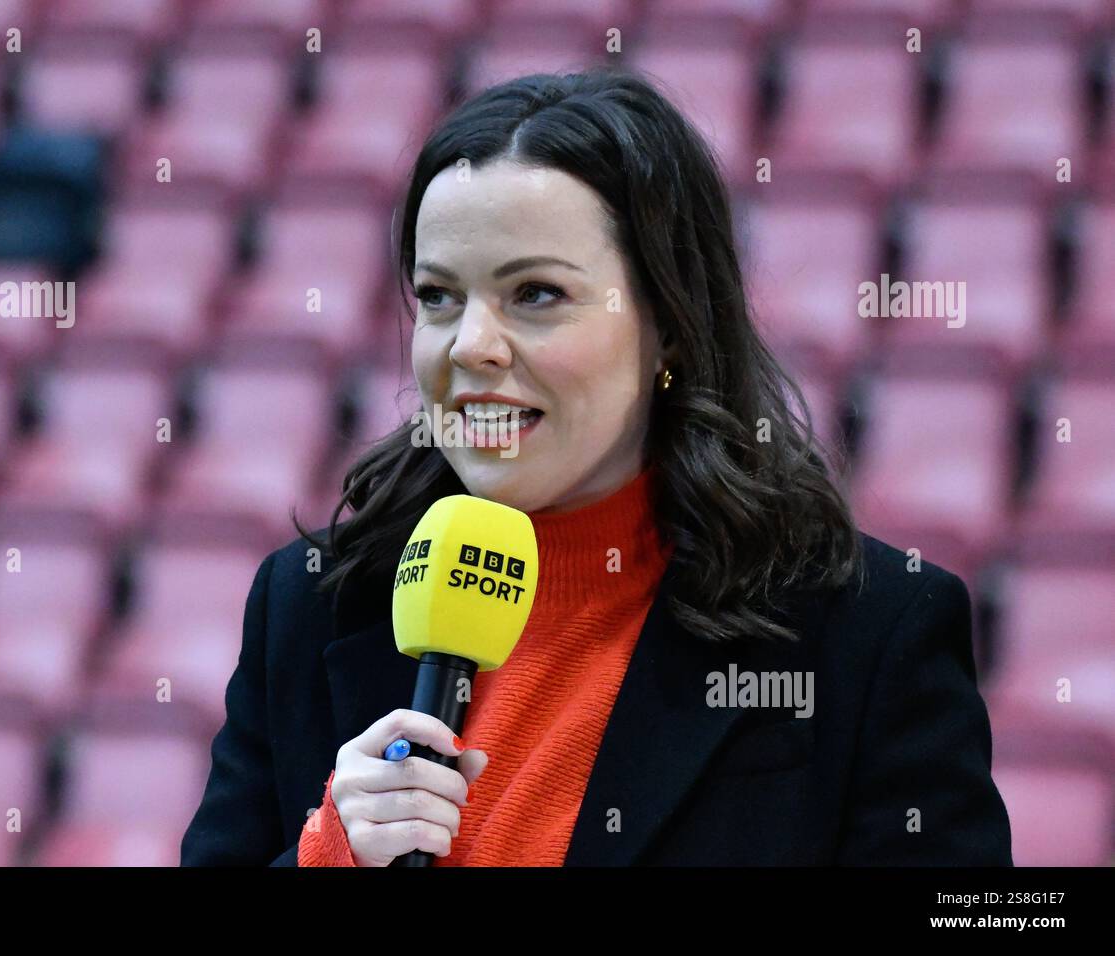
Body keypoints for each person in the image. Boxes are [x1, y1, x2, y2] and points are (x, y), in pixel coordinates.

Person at [180, 68, 1012, 866]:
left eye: (536, 293)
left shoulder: (866, 634)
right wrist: (332, 858)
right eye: (438, 296)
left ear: (672, 324)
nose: (470, 344)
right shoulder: (309, 604)